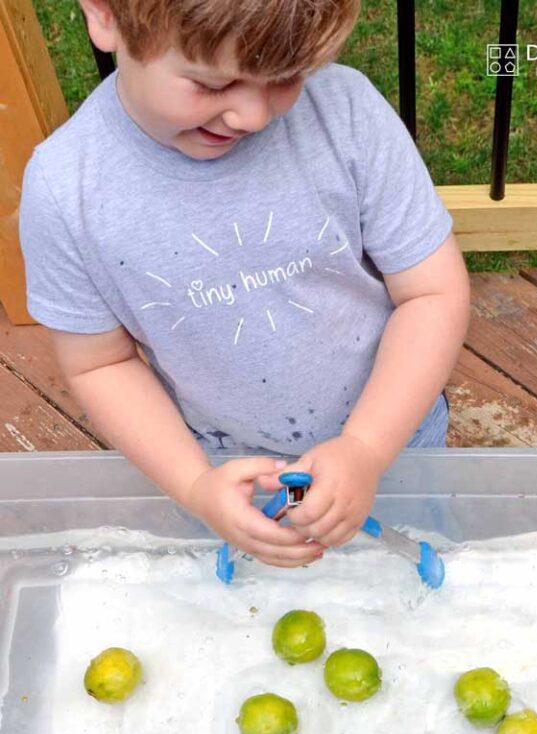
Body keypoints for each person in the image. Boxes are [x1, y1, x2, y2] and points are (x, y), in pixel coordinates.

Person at [19, 1, 470, 569]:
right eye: (213, 84)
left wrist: (366, 448)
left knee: (414, 565)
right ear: (106, 15)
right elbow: (100, 363)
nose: (254, 116)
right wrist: (194, 486)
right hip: (220, 470)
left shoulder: (346, 112)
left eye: (287, 77)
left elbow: (431, 293)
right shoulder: (65, 190)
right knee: (254, 601)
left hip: (395, 437)